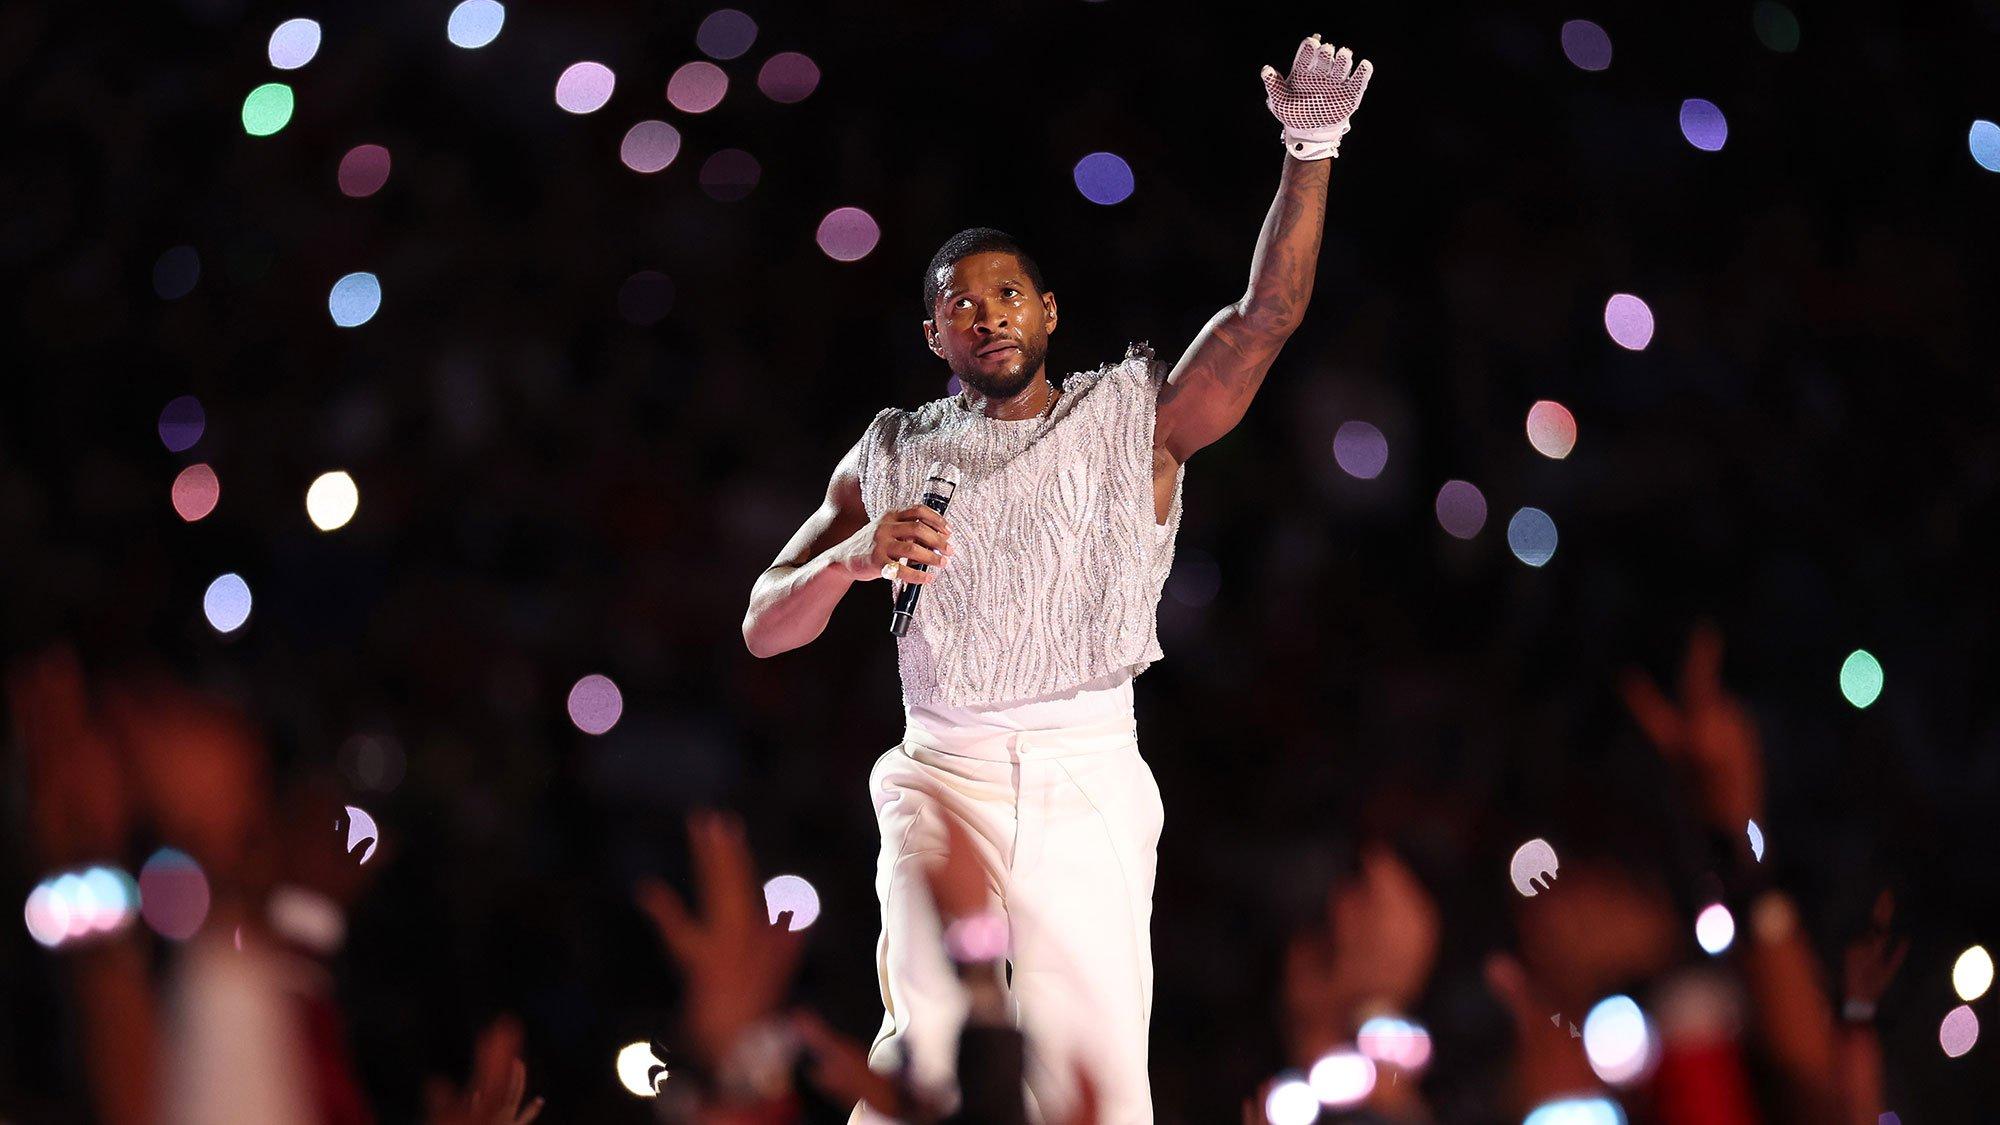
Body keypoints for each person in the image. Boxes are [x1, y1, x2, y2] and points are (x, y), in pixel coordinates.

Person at [741, 33, 1374, 1124]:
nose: (987, 312)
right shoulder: (888, 450)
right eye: (961, 302)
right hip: (942, 770)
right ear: (933, 333)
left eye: (1007, 293)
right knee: (926, 1049)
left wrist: (1308, 151)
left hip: (1085, 770)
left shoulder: (1131, 420)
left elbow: (1264, 317)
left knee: (1095, 1083)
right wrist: (851, 557)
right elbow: (763, 626)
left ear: (1047, 312)